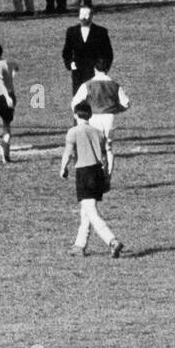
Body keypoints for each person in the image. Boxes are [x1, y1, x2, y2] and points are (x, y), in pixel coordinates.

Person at [61, 102, 124, 258]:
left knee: (92, 212)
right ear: (89, 115)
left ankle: (112, 240)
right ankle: (79, 245)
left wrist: (63, 168)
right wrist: (107, 177)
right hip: (97, 172)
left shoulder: (73, 132)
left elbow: (68, 153)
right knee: (86, 212)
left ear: (76, 115)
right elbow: (105, 157)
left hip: (84, 173)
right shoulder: (98, 133)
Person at [70, 60, 130, 179]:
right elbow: (126, 103)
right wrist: (115, 109)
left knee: (93, 147)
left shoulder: (88, 85)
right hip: (109, 118)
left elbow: (74, 103)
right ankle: (108, 175)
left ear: (95, 69)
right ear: (107, 69)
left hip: (93, 118)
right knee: (108, 147)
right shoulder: (115, 85)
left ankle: (95, 173)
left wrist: (79, 115)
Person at [63, 5, 114, 96]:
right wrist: (70, 63)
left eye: (86, 14)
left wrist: (102, 69)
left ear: (91, 16)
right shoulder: (72, 31)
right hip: (78, 72)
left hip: (95, 72)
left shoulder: (101, 32)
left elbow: (108, 53)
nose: (83, 17)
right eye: (81, 14)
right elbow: (66, 51)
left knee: (95, 99)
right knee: (79, 100)